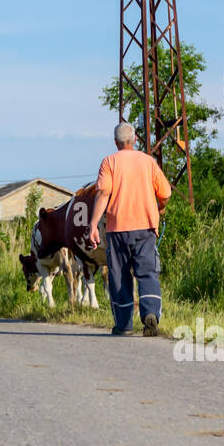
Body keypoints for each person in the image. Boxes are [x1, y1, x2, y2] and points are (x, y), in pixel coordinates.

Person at [88, 122, 172, 336]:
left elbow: (103, 194)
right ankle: (150, 314)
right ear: (135, 140)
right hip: (145, 226)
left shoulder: (109, 162)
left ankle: (124, 325)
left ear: (116, 142)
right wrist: (159, 206)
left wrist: (93, 225)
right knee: (147, 273)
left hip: (117, 229)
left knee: (120, 275)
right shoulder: (148, 162)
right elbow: (165, 193)